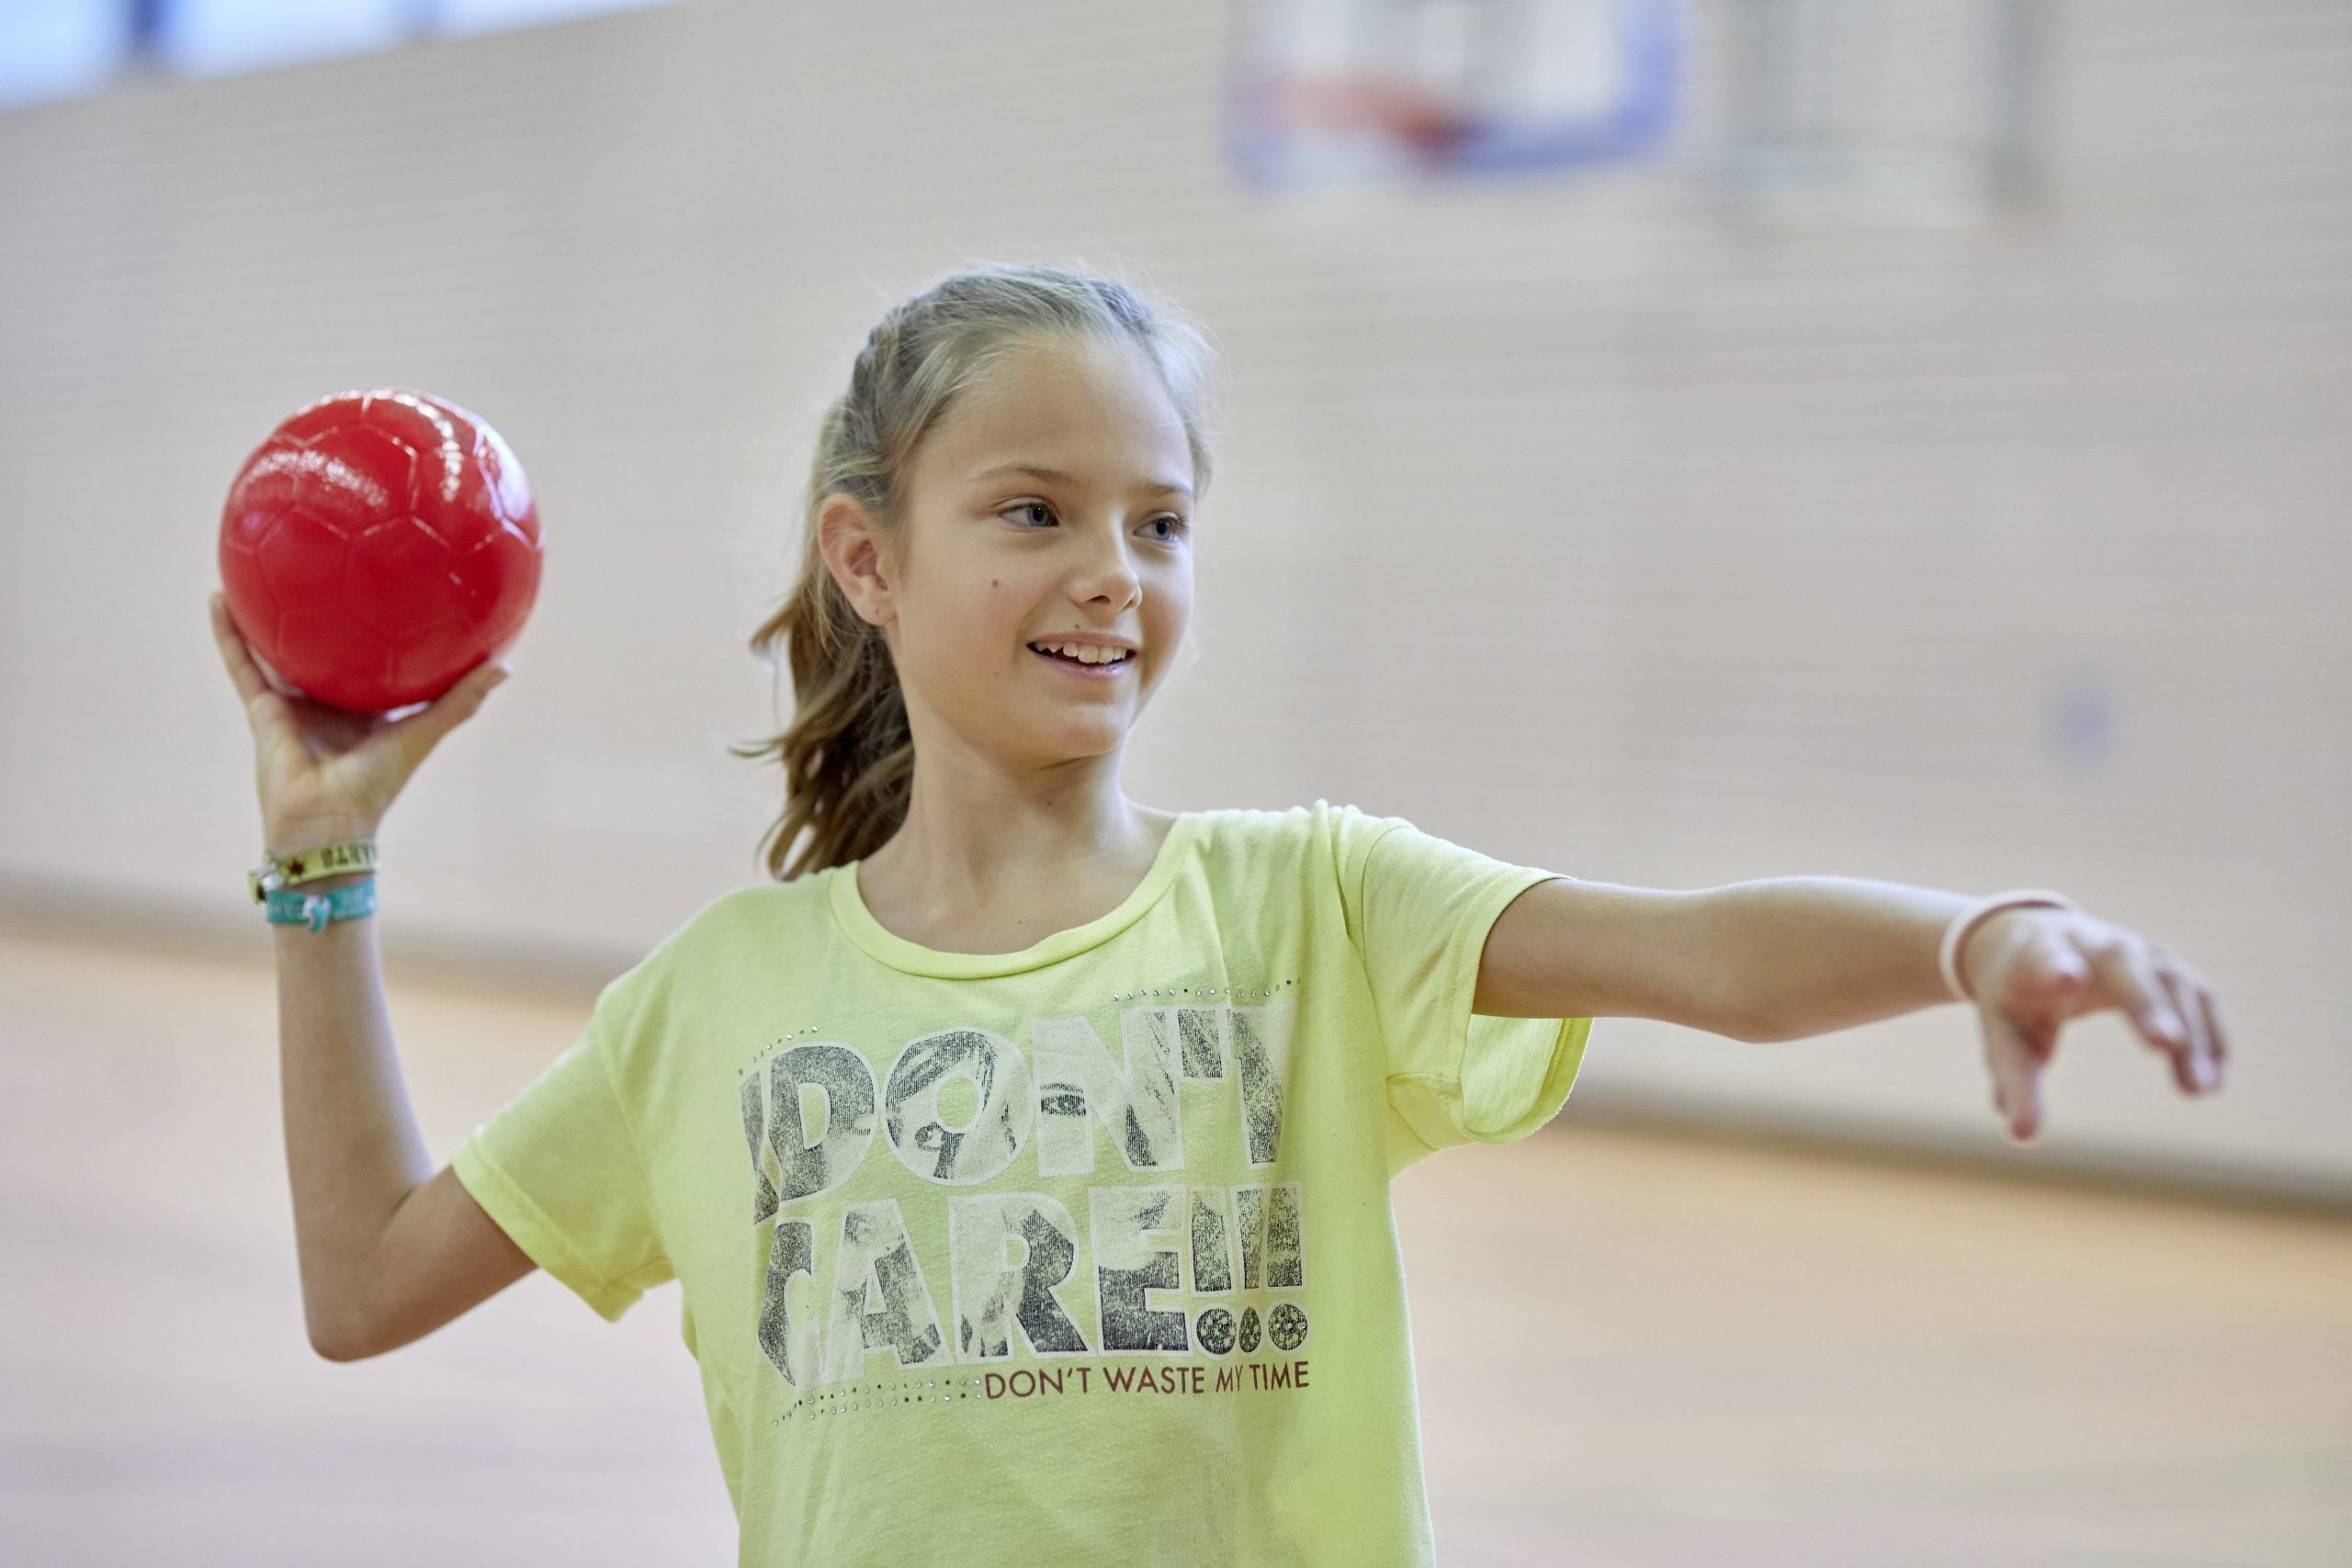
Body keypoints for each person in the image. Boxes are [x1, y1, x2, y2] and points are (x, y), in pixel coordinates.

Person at [208, 261, 2230, 1565]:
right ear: (867, 559)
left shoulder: (1308, 905)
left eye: (1158, 520)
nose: (1115, 570)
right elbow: (368, 1280)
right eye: (1032, 508)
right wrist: (324, 863)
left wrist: (1979, 933)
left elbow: (1702, 948)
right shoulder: (722, 999)